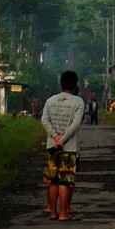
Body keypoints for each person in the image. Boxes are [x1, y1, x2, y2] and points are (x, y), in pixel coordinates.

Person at [41, 70, 86, 221]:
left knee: (53, 180)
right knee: (65, 181)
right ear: (75, 85)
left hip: (52, 146)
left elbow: (44, 120)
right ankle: (63, 213)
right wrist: (64, 139)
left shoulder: (50, 101)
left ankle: (53, 212)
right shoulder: (78, 102)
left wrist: (55, 136)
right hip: (69, 147)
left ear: (61, 83)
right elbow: (76, 124)